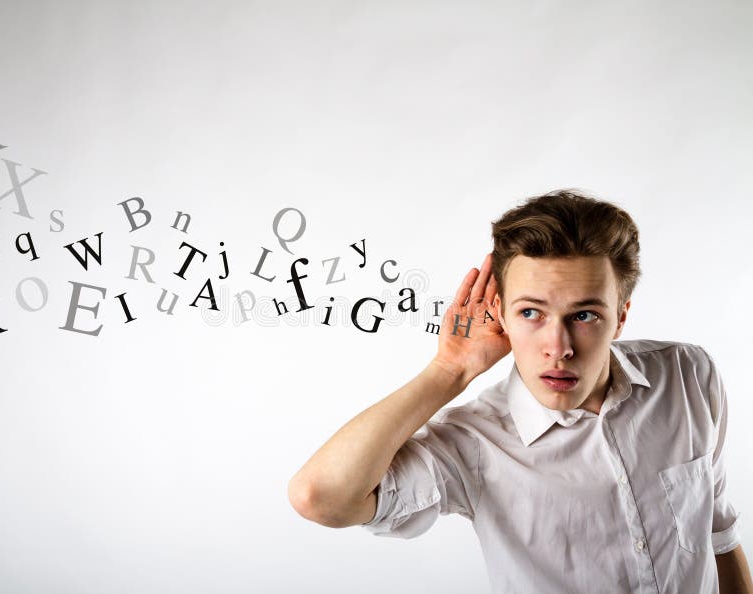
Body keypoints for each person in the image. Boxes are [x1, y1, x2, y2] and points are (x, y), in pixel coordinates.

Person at [287, 189, 752, 593]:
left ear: (621, 316)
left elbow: (719, 533)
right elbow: (320, 497)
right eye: (531, 313)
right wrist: (449, 369)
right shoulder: (472, 441)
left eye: (585, 315)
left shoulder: (688, 374)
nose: (559, 348)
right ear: (503, 316)